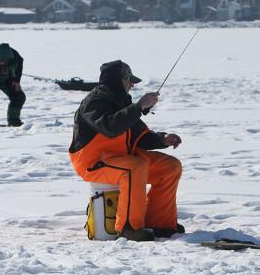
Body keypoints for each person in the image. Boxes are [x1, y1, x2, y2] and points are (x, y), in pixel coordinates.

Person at [68, 60, 184, 242]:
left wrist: (163, 139)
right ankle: (129, 228)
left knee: (170, 167)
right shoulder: (95, 102)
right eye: (129, 80)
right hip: (94, 162)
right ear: (117, 80)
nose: (131, 85)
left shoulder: (122, 102)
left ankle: (159, 224)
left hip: (121, 157)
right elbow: (110, 126)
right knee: (134, 168)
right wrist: (138, 107)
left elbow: (140, 136)